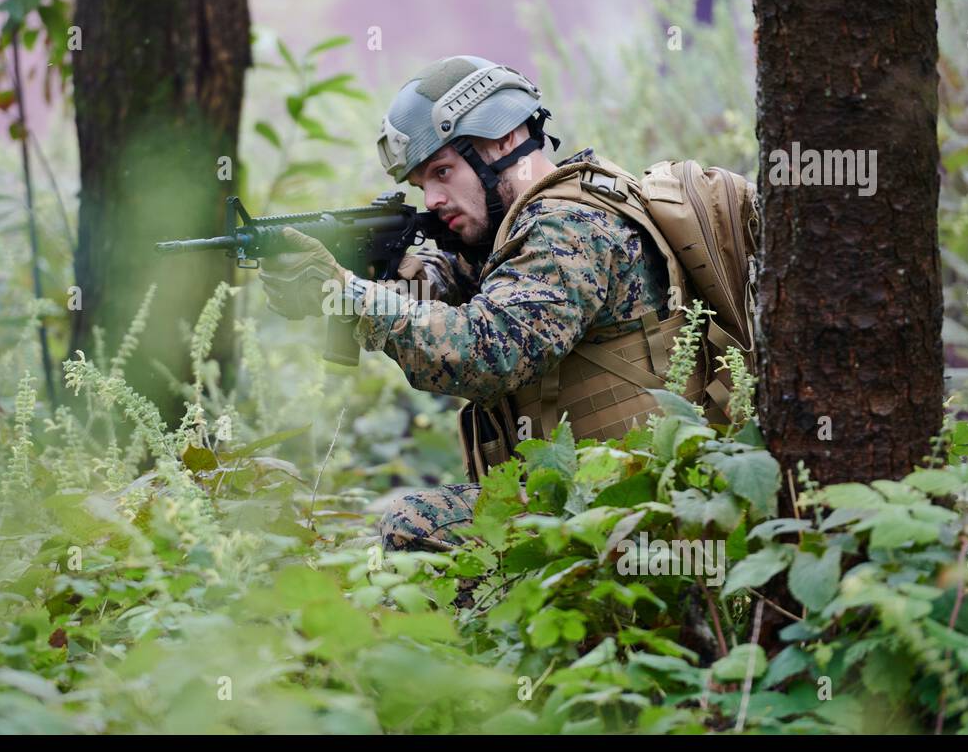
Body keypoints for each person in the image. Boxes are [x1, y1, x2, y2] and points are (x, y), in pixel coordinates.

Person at [258, 54, 683, 552]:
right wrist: (383, 278)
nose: (433, 199)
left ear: (502, 139)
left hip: (630, 508)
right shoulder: (533, 217)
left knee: (415, 525)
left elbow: (488, 353)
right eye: (422, 185)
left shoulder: (567, 227)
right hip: (601, 489)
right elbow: (467, 280)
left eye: (443, 171)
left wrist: (352, 295)